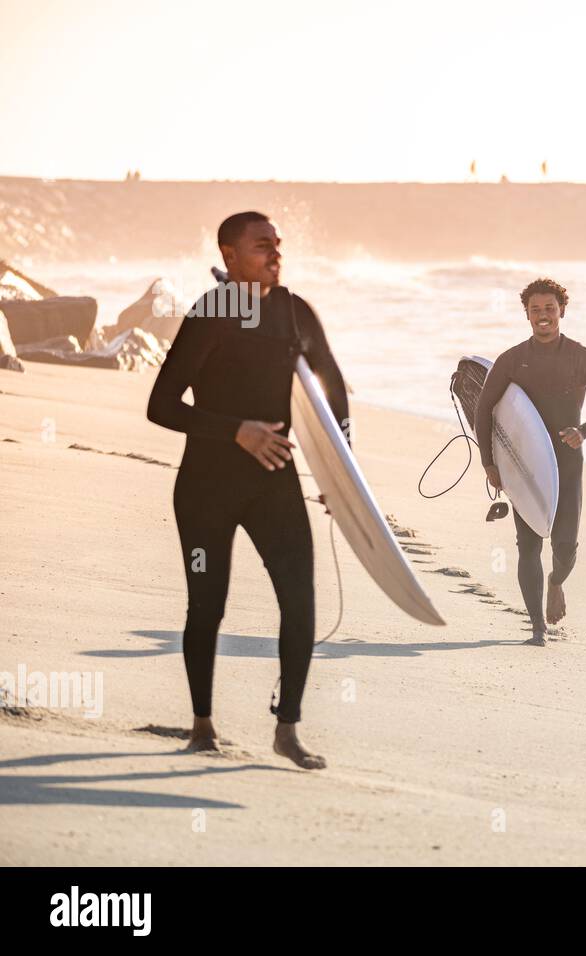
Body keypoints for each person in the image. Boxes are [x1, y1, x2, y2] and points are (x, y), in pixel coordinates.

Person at [146, 211, 348, 768]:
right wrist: (236, 430)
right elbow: (160, 406)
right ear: (229, 255)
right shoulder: (212, 314)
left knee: (300, 600)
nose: (275, 253)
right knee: (207, 605)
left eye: (278, 244)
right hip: (205, 488)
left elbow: (331, 386)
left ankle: (288, 729)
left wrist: (340, 470)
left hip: (273, 481)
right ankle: (202, 725)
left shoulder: (293, 311)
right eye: (262, 246)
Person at [475, 278, 586, 645]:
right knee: (528, 545)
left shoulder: (580, 357)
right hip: (523, 464)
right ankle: (537, 627)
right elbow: (484, 409)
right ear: (526, 314)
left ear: (562, 312)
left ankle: (556, 582)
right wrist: (489, 463)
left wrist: (585, 431)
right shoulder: (511, 360)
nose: (543, 315)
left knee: (566, 547)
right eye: (536, 309)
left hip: (568, 464)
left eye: (549, 309)